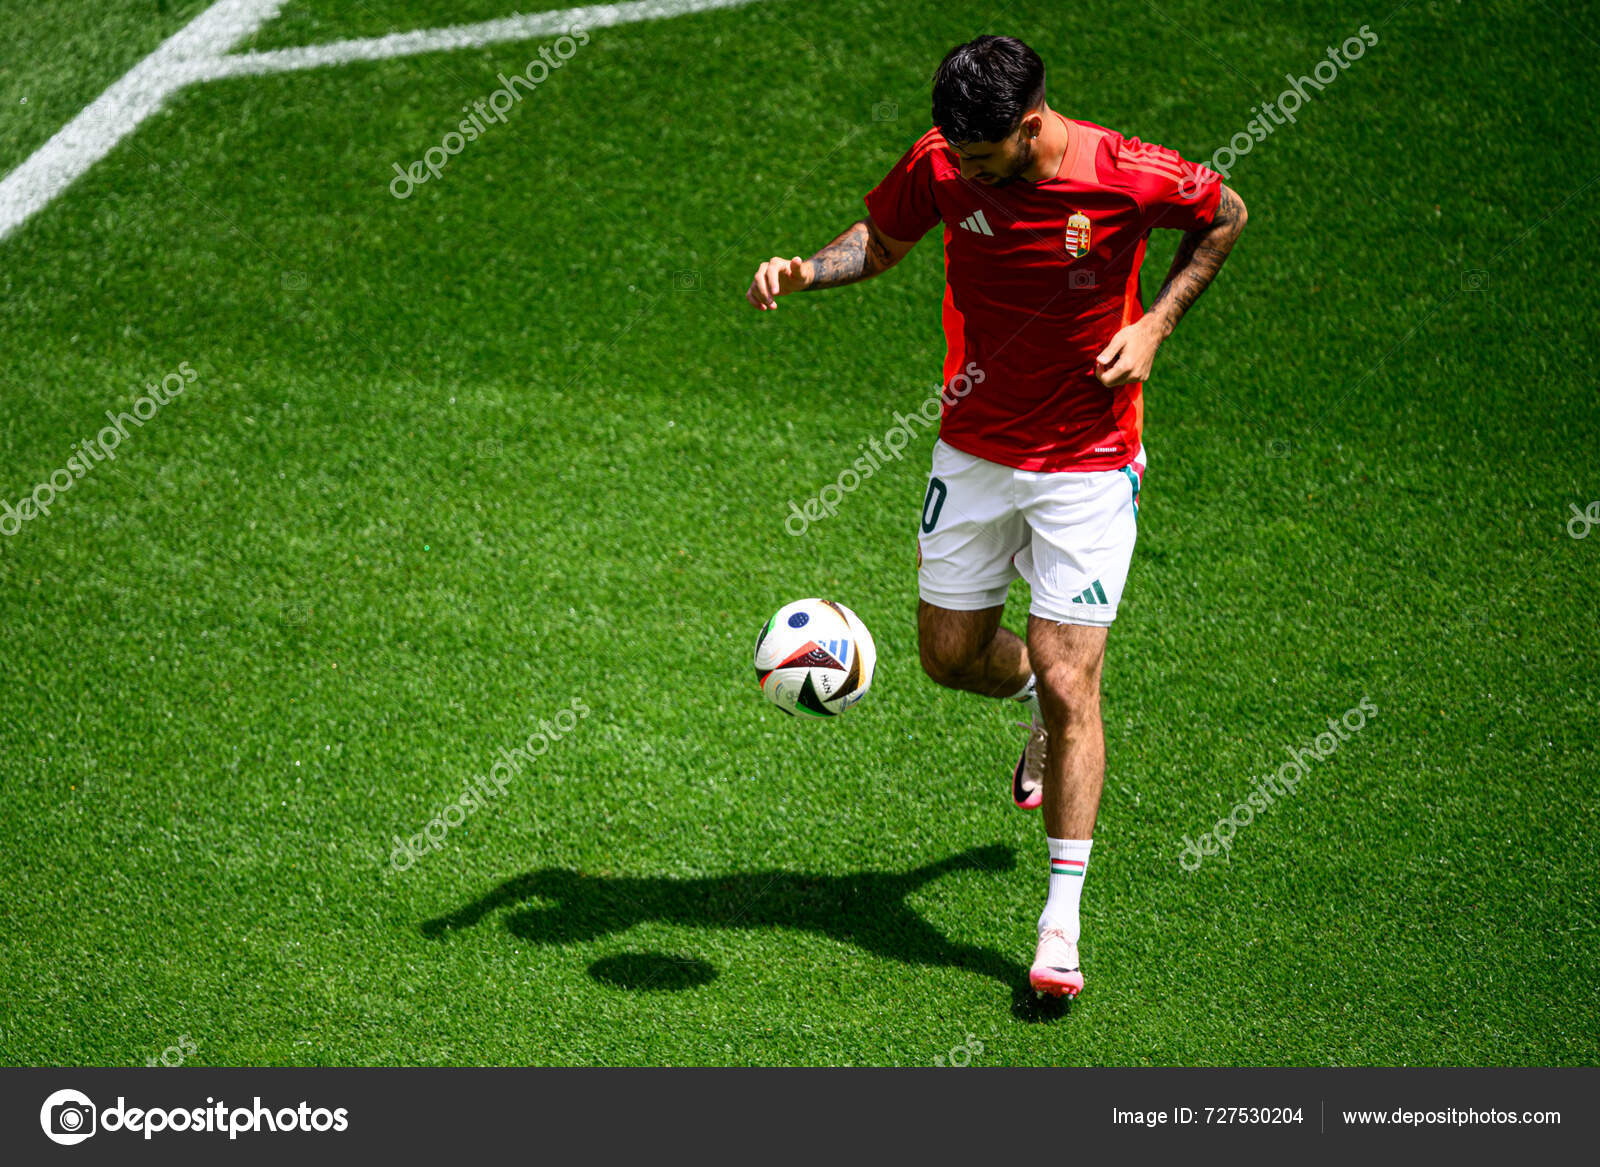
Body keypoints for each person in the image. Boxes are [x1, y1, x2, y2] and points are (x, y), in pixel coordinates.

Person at [744, 35, 1246, 998]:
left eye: (981, 159)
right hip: (974, 449)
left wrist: (1156, 324)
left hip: (1087, 464)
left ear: (1028, 126)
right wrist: (805, 272)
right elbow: (883, 243)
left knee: (1071, 675)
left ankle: (1060, 927)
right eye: (955, 156)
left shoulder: (1123, 174)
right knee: (949, 657)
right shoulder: (942, 158)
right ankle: (1032, 714)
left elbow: (1225, 213)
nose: (962, 171)